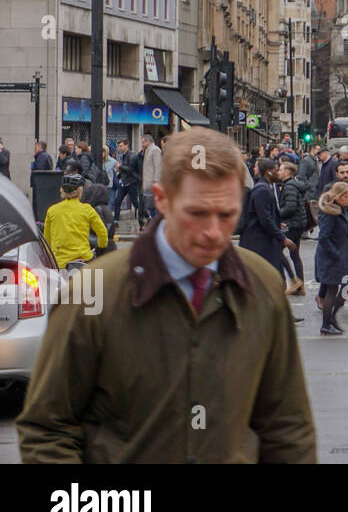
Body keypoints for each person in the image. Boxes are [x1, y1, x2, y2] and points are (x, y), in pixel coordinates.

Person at [17, 127, 316, 461]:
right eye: (197, 213)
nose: (213, 232)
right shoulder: (93, 291)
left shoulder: (261, 285)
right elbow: (48, 426)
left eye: (227, 214)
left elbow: (287, 426)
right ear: (161, 200)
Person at [315, 181, 348, 335]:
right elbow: (324, 237)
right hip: (331, 257)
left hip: (341, 254)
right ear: (338, 196)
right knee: (332, 289)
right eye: (345, 197)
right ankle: (326, 324)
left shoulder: (340, 209)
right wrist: (336, 254)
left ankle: (332, 317)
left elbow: (346, 232)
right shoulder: (329, 213)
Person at [240, 158, 291, 280]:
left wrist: (277, 223)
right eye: (276, 170)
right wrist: (282, 238)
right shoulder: (262, 190)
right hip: (259, 242)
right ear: (268, 172)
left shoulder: (264, 187)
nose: (278, 173)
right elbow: (265, 219)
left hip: (261, 242)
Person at [41, 174, 105, 269]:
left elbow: (47, 240)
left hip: (60, 264)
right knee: (95, 282)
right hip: (83, 260)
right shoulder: (87, 209)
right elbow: (102, 233)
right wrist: (100, 248)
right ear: (80, 191)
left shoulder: (52, 211)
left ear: (62, 190)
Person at [277, 157, 311, 294]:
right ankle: (300, 286)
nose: (278, 172)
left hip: (292, 224)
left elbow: (290, 207)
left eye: (280, 169)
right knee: (295, 254)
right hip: (298, 223)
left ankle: (291, 282)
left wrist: (277, 214)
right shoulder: (292, 184)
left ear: (287, 172)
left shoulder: (289, 186)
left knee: (276, 250)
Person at [110, 138, 139, 222]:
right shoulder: (124, 155)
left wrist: (120, 166)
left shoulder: (132, 155)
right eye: (119, 146)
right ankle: (116, 220)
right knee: (117, 201)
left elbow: (130, 169)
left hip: (131, 182)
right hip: (124, 182)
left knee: (135, 202)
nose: (119, 148)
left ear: (126, 145)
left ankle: (147, 217)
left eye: (121, 146)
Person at [137, 133, 162, 225]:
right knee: (148, 205)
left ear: (148, 141)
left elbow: (158, 166)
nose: (142, 144)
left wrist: (156, 181)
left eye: (143, 142)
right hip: (146, 184)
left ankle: (156, 223)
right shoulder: (147, 150)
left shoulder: (155, 150)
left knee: (153, 206)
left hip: (152, 183)